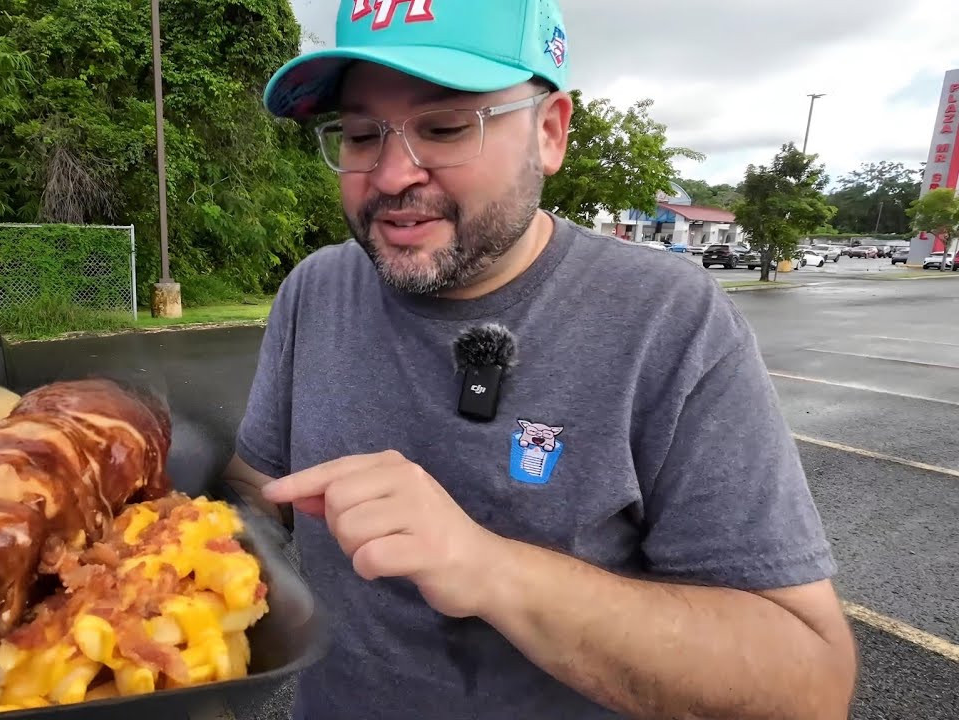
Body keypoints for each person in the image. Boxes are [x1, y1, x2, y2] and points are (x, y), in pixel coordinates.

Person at [222, 1, 859, 718]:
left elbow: (809, 684)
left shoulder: (665, 320)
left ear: (549, 133)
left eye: (445, 127)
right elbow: (257, 494)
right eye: (364, 134)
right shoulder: (318, 289)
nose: (394, 174)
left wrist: (491, 568)